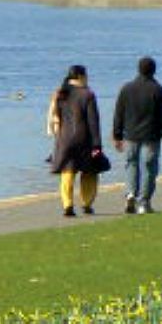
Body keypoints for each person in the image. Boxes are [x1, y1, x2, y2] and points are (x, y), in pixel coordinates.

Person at [113, 56, 162, 215]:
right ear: (154, 71)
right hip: (151, 135)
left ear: (138, 69)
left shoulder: (126, 89)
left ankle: (130, 193)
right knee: (149, 168)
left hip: (130, 135)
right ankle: (144, 202)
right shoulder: (159, 90)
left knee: (131, 164)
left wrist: (117, 135)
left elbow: (118, 113)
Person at [49, 65, 107, 217]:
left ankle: (67, 205)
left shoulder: (60, 93)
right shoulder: (88, 94)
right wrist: (97, 144)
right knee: (90, 171)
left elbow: (56, 118)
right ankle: (86, 203)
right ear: (81, 77)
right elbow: (93, 121)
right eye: (86, 75)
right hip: (84, 138)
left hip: (64, 138)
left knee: (67, 172)